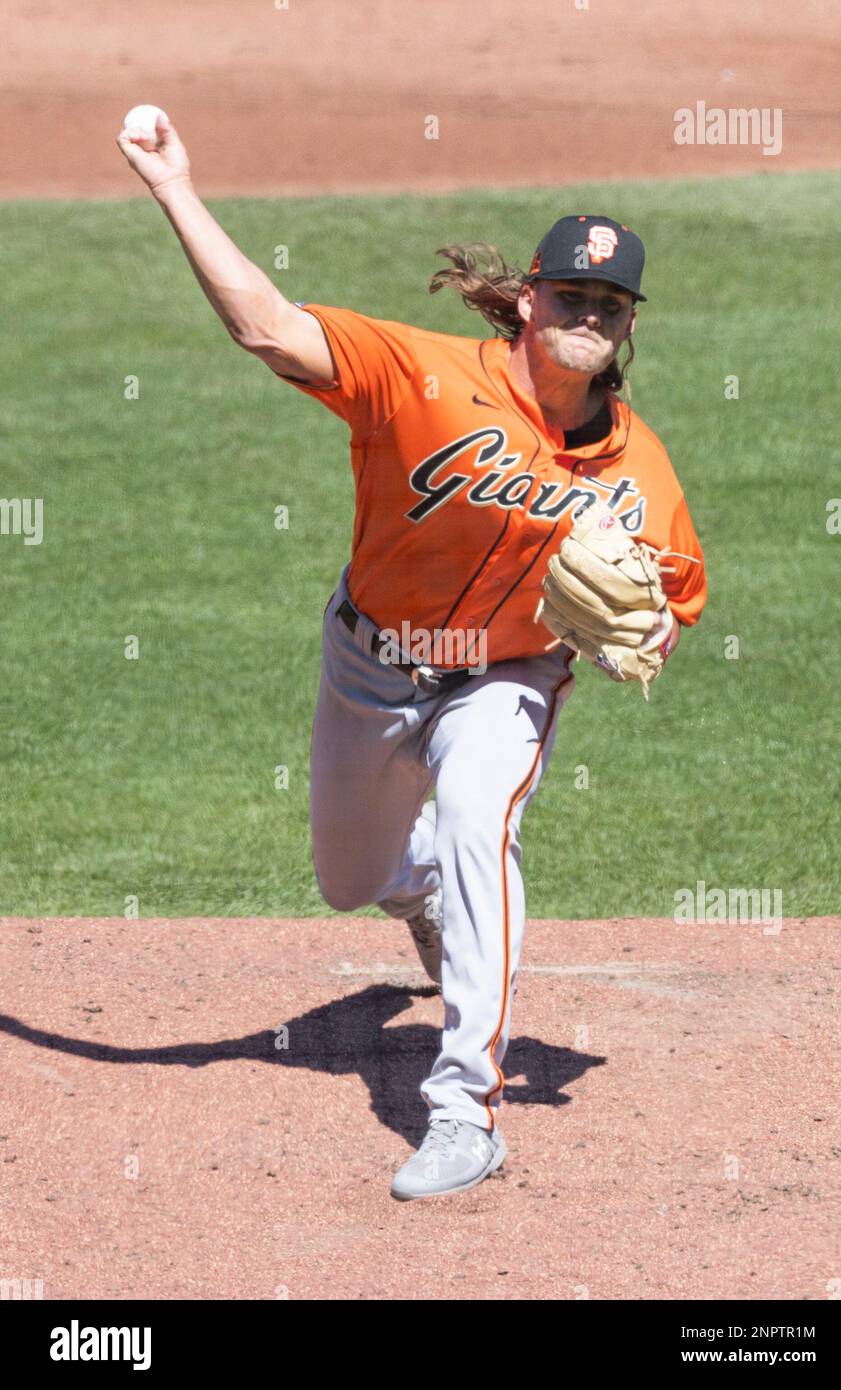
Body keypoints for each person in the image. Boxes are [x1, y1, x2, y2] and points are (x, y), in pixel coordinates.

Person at [118, 116, 707, 1202]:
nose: (587, 317)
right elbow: (265, 327)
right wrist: (176, 190)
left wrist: (655, 628)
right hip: (369, 663)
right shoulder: (419, 373)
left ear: (626, 327)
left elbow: (671, 601)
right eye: (570, 298)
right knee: (351, 879)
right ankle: (417, 885)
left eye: (608, 306)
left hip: (503, 681)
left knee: (481, 809)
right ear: (529, 300)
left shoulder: (642, 469)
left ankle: (461, 1110)